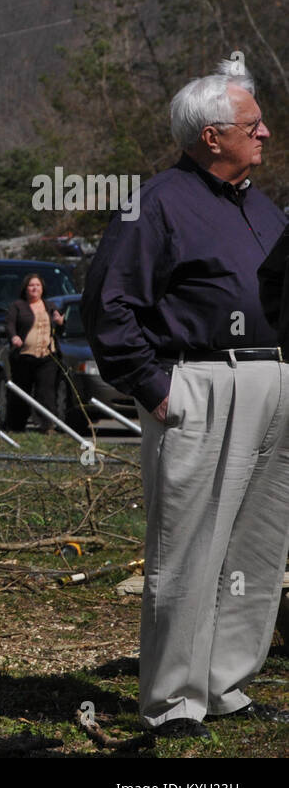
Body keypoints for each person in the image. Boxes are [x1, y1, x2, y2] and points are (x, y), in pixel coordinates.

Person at [83, 59, 289, 738]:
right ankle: (174, 699)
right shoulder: (159, 203)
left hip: (273, 380)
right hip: (200, 382)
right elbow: (107, 302)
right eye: (252, 123)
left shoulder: (260, 205)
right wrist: (154, 387)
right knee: (191, 547)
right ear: (211, 135)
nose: (265, 132)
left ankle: (225, 681)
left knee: (259, 545)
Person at [3, 273, 64, 432]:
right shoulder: (17, 306)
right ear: (25, 289)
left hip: (47, 356)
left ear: (42, 288)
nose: (35, 288)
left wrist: (60, 322)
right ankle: (15, 426)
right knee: (21, 392)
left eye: (38, 285)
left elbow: (61, 327)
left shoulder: (50, 306)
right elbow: (9, 325)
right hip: (24, 356)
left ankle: (47, 425)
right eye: (31, 285)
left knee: (46, 392)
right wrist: (14, 337)